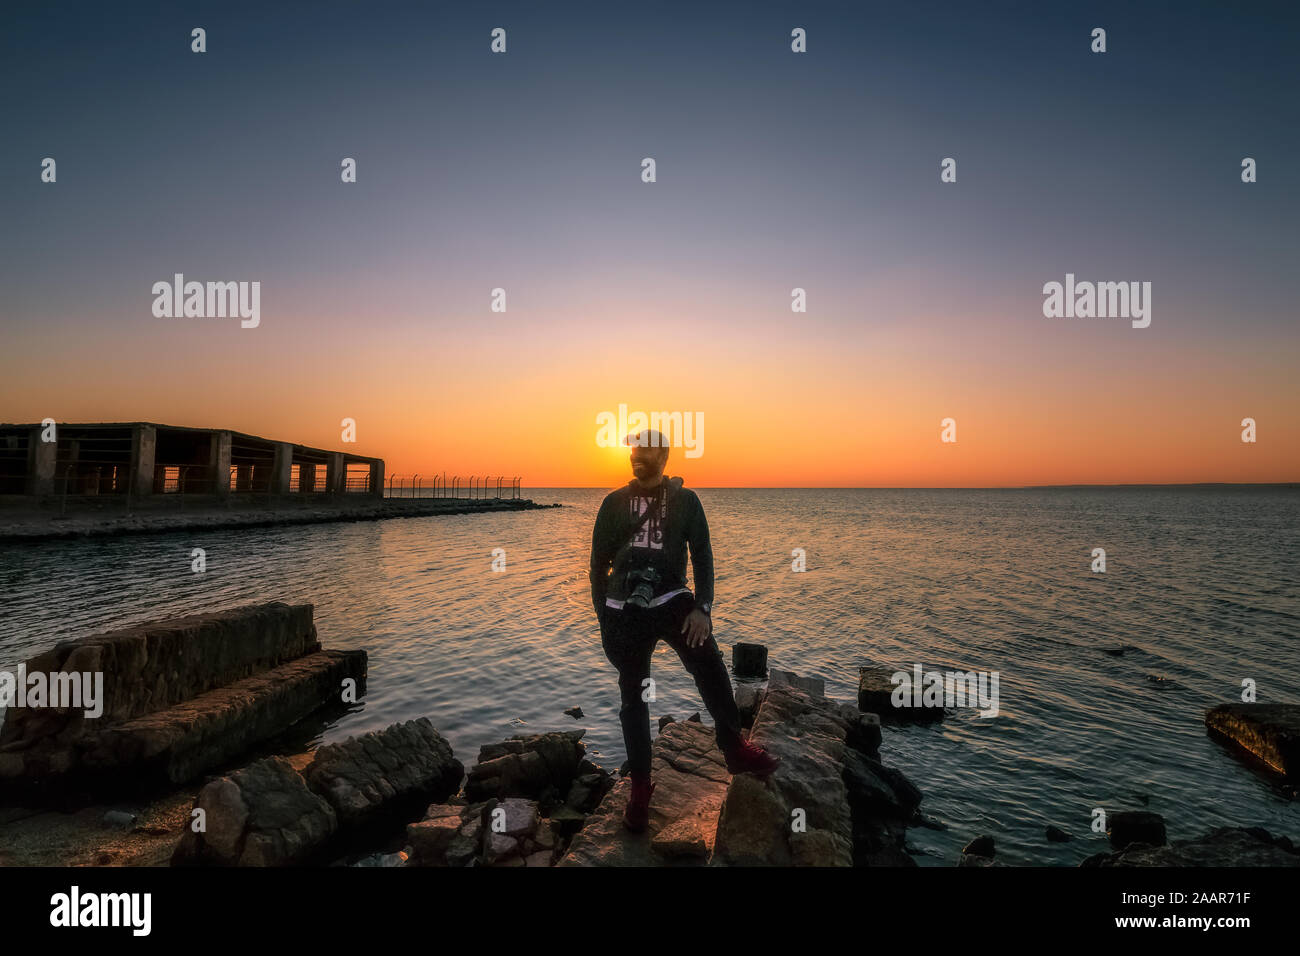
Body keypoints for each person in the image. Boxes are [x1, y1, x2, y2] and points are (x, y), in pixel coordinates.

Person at [589, 430, 779, 832]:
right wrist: (604, 622)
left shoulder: (686, 501)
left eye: (646, 450)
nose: (637, 456)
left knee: (709, 664)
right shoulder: (613, 504)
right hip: (624, 611)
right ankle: (640, 787)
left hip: (674, 601)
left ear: (665, 456)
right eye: (633, 450)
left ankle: (733, 748)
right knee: (634, 694)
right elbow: (597, 568)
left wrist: (703, 608)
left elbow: (704, 557)